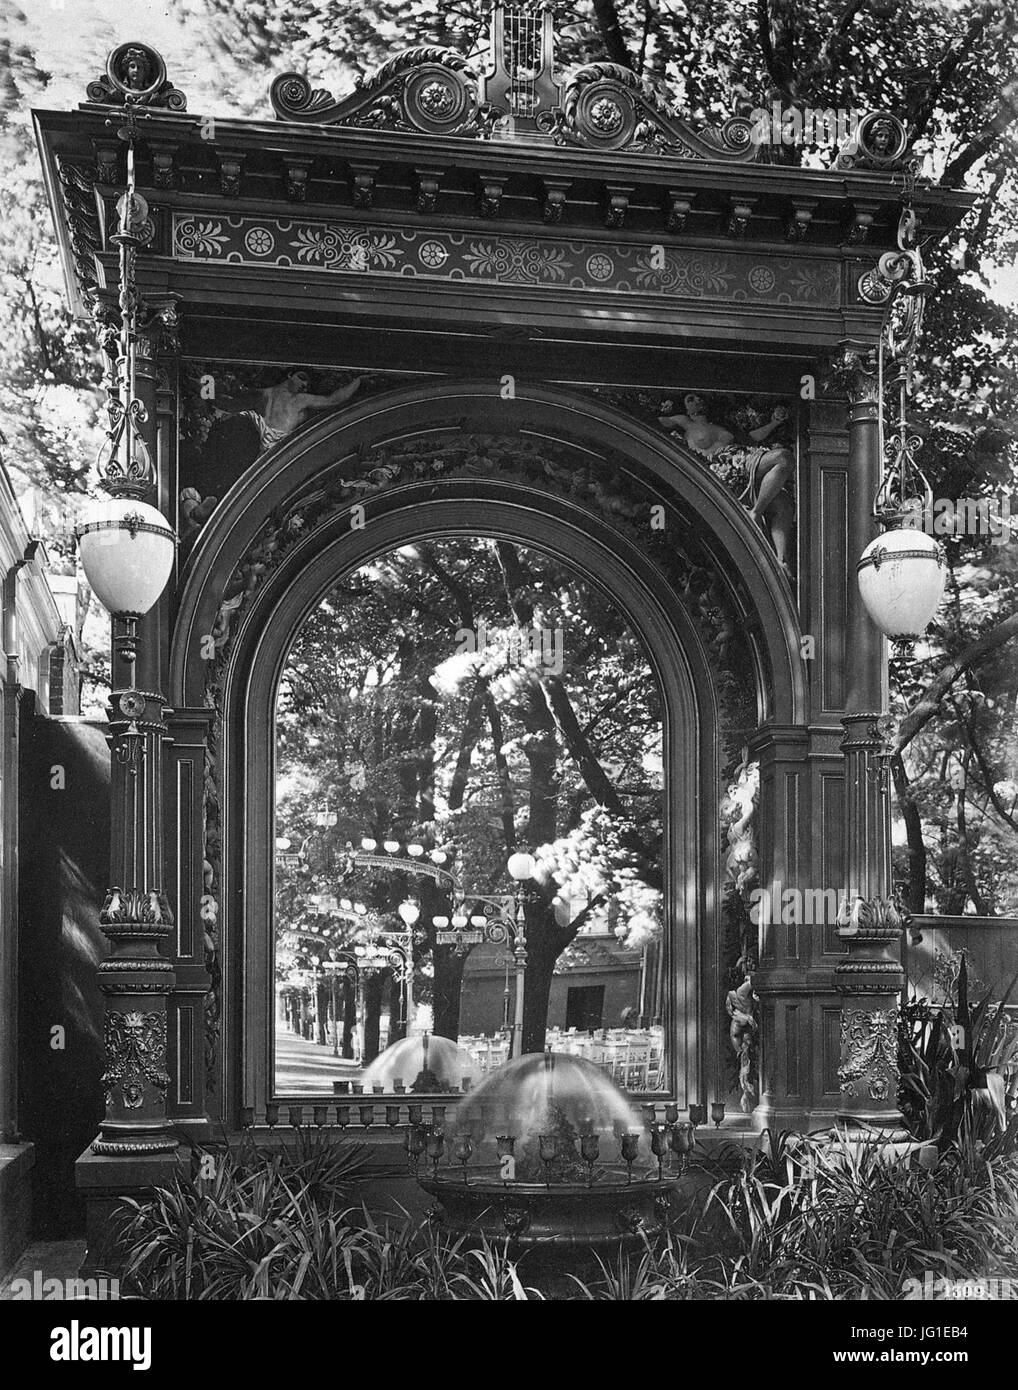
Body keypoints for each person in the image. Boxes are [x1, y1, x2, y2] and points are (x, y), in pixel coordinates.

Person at [659, 393, 794, 575]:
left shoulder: (724, 424)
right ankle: (772, 548)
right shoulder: (685, 422)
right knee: (780, 497)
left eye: (700, 397)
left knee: (783, 467)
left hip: (742, 460)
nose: (698, 400)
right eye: (690, 399)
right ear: (686, 409)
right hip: (716, 476)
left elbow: (751, 438)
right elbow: (653, 423)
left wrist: (774, 423)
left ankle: (780, 558)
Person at [231, 368, 363, 452]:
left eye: (306, 385)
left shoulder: (270, 392)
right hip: (268, 440)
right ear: (290, 374)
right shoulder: (294, 399)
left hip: (271, 441)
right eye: (302, 377)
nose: (304, 385)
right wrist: (358, 380)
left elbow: (333, 400)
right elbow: (333, 400)